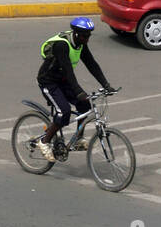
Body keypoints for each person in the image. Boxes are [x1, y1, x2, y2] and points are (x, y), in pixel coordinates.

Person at [36, 17, 115, 163]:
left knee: (84, 105)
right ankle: (44, 141)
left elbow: (92, 64)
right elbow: (68, 71)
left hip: (63, 81)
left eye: (89, 35)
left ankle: (78, 139)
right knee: (64, 112)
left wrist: (106, 85)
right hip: (49, 82)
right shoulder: (62, 45)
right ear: (76, 33)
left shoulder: (80, 44)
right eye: (85, 36)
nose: (87, 39)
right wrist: (79, 91)